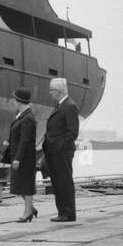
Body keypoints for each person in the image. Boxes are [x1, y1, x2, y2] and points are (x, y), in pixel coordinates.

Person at [42, 77, 79, 222]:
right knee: (57, 182)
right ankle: (62, 211)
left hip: (62, 152)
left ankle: (68, 213)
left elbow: (72, 132)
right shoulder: (60, 106)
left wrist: (61, 147)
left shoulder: (69, 106)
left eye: (51, 91)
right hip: (54, 152)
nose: (50, 93)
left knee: (64, 182)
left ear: (57, 91)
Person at [0, 88, 37, 222]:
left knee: (25, 185)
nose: (13, 101)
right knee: (18, 184)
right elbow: (18, 134)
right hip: (19, 156)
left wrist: (18, 159)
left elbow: (25, 140)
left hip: (24, 158)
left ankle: (27, 212)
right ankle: (31, 208)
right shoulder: (22, 115)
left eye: (15, 99)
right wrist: (9, 141)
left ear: (19, 101)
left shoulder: (28, 118)